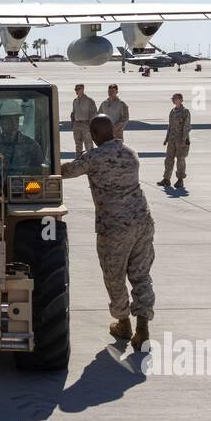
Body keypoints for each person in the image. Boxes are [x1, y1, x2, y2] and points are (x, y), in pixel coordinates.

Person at [61, 115, 155, 349]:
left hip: (115, 227)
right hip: (142, 220)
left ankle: (124, 322)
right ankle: (143, 327)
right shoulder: (131, 152)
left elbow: (66, 171)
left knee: (115, 275)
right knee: (141, 274)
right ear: (112, 131)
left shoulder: (94, 157)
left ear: (93, 136)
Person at [0, 101, 45, 171]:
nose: (13, 124)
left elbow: (40, 174)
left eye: (16, 119)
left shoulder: (32, 146)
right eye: (8, 119)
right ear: (0, 121)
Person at [157, 92, 191, 189]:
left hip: (181, 140)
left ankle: (180, 180)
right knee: (168, 159)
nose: (173, 100)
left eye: (175, 99)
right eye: (173, 99)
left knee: (180, 160)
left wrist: (183, 139)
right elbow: (170, 126)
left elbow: (187, 127)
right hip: (172, 140)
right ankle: (166, 179)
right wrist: (166, 139)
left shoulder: (185, 112)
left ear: (180, 100)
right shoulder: (172, 111)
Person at [70, 83, 97, 155]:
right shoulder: (75, 101)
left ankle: (91, 159)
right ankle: (78, 159)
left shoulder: (89, 100)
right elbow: (73, 112)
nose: (76, 91)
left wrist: (90, 125)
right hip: (76, 124)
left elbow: (93, 114)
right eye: (75, 89)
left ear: (82, 89)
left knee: (88, 144)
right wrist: (73, 123)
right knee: (78, 144)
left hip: (85, 124)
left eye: (78, 89)